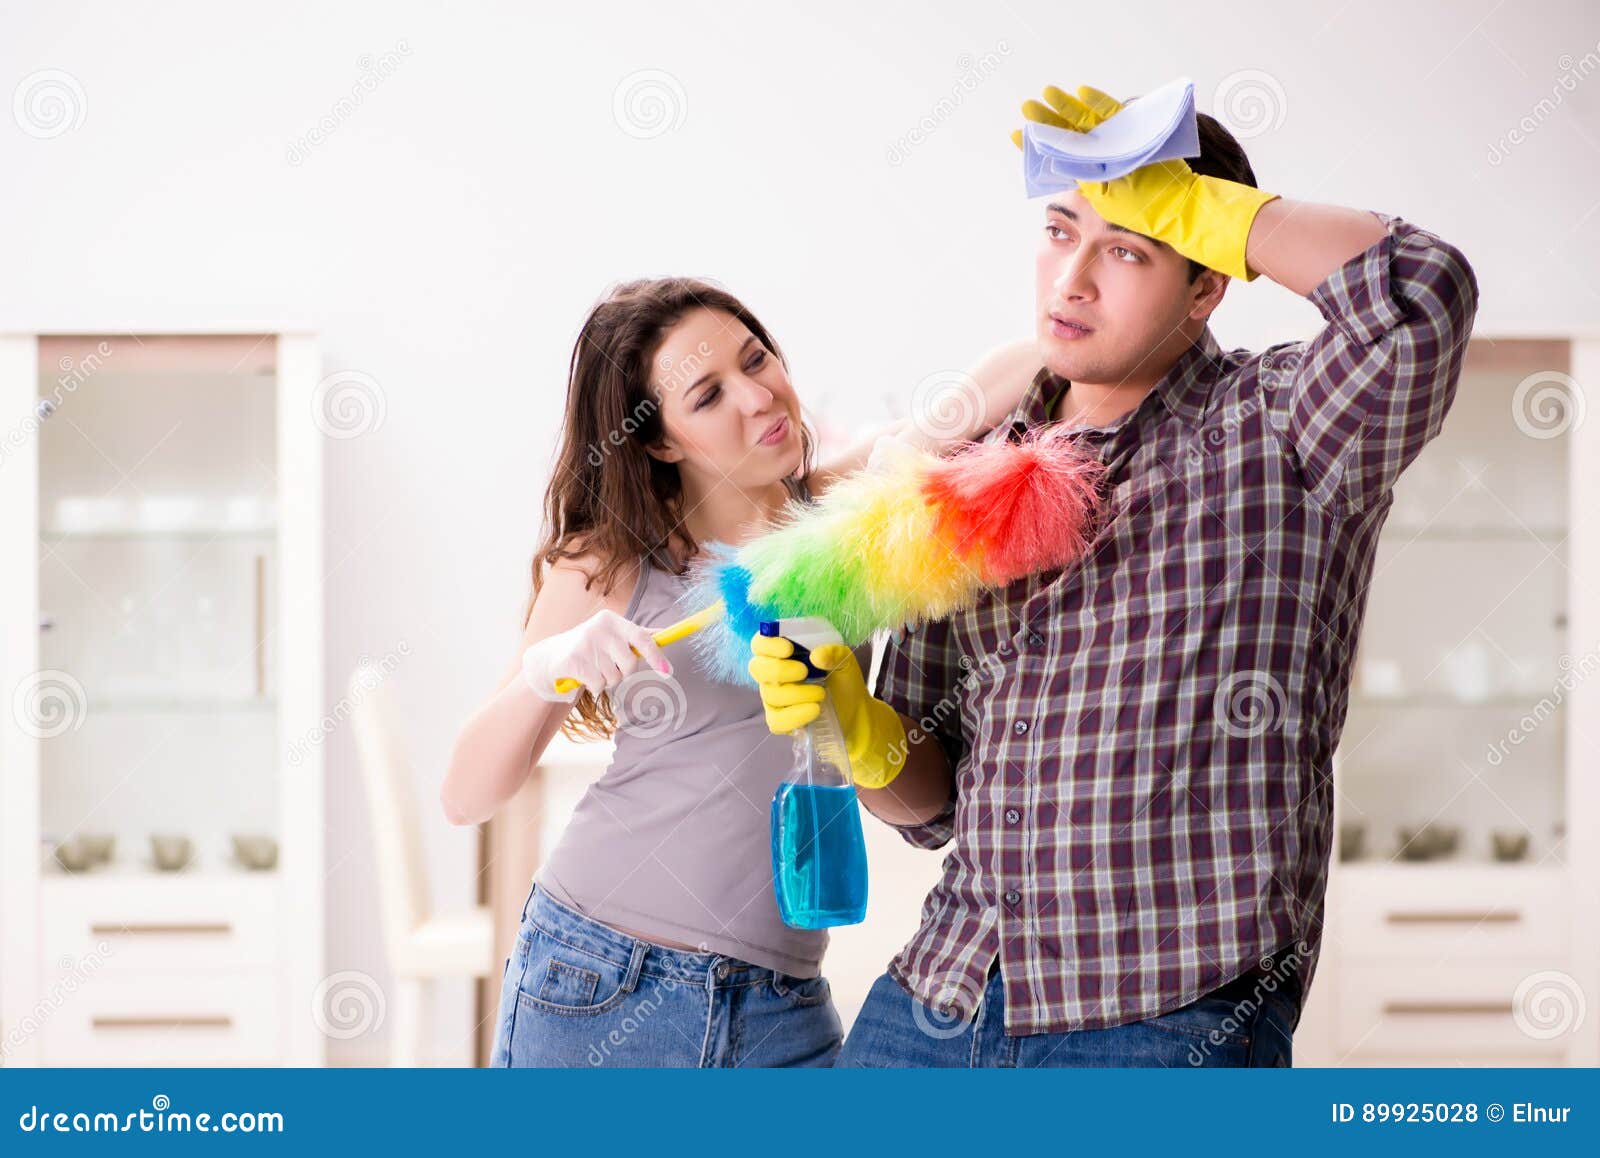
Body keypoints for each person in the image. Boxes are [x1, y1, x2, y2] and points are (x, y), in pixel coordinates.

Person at [750, 83, 1479, 1067]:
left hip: (1167, 1012)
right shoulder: (960, 475)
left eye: (1128, 248)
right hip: (941, 997)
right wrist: (855, 726)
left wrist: (1200, 208)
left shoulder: (1288, 429)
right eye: (1059, 231)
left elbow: (1419, 299)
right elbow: (934, 803)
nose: (1072, 279)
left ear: (1206, 281)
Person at [441, 276, 1038, 1066]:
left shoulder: (845, 511)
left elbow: (1020, 367)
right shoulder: (611, 559)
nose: (759, 398)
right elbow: (466, 794)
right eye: (708, 394)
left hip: (780, 1002)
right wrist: (546, 670)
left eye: (758, 360)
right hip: (604, 978)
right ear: (660, 441)